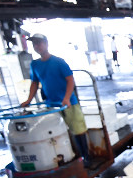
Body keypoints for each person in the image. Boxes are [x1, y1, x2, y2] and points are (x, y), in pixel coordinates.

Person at [21, 33, 90, 165]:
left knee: (78, 130)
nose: (37, 46)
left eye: (39, 43)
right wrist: (28, 100)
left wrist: (67, 98)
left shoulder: (59, 62)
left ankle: (86, 157)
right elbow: (34, 83)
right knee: (57, 133)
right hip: (51, 105)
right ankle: (67, 157)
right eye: (34, 44)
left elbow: (70, 80)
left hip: (68, 103)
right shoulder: (34, 65)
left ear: (46, 44)